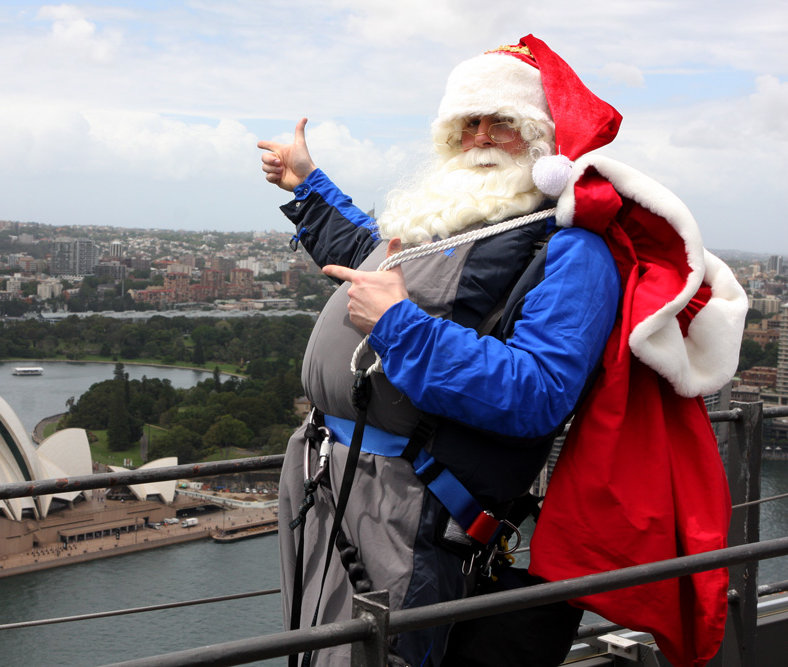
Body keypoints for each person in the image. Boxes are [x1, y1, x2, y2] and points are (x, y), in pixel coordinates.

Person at [259, 35, 746, 667]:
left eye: (502, 123)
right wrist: (308, 183)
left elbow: (539, 391)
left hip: (409, 505)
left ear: (541, 139)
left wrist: (400, 326)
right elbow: (364, 257)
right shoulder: (444, 218)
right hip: (326, 481)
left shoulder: (570, 251)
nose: (481, 136)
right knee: (315, 650)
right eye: (468, 122)